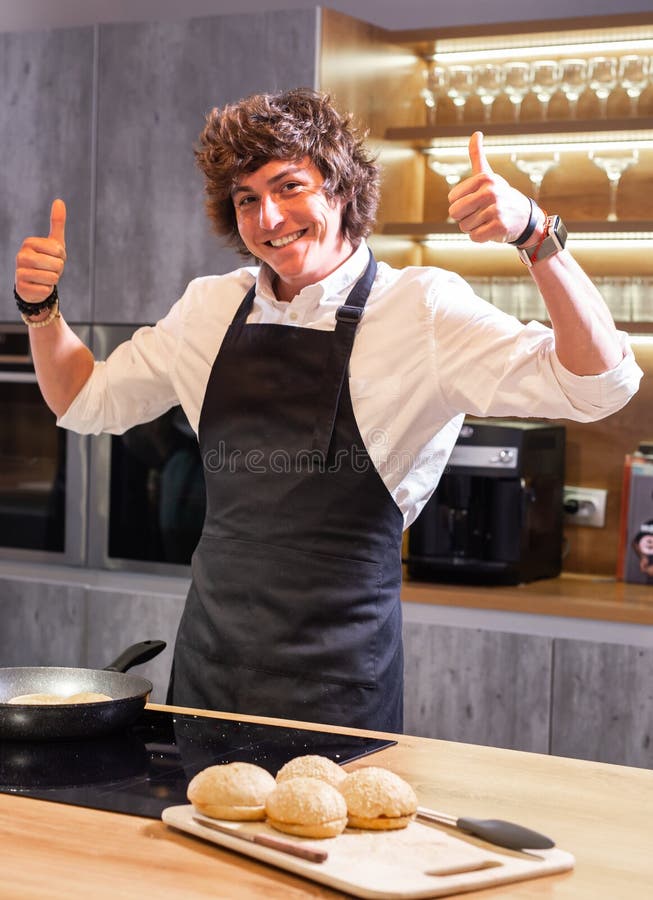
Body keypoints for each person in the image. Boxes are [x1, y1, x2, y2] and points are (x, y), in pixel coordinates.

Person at [15, 88, 641, 732]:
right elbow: (84, 399)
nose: (269, 217)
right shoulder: (209, 308)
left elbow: (598, 385)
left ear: (341, 188)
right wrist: (41, 309)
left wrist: (537, 236)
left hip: (338, 685)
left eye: (289, 187)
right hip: (209, 667)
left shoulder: (421, 309)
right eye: (247, 199)